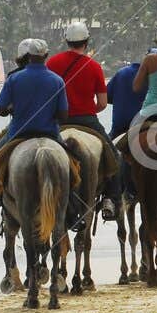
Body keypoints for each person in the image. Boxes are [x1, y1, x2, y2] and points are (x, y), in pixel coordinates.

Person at [0, 38, 68, 229]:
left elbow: (0, 110)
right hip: (50, 134)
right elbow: (63, 114)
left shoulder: (14, 79)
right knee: (75, 167)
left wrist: (14, 108)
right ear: (45, 56)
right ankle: (73, 211)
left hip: (18, 133)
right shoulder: (57, 80)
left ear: (28, 57)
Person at [46, 20, 120, 214]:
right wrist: (87, 109)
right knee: (114, 156)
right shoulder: (94, 66)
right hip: (87, 120)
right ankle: (110, 199)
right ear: (86, 41)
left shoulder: (52, 63)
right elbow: (103, 103)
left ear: (66, 41)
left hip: (59, 121)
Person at [106, 54, 144, 205]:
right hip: (143, 125)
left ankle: (107, 195)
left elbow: (107, 97)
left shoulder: (121, 73)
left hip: (120, 126)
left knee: (105, 151)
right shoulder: (153, 75)